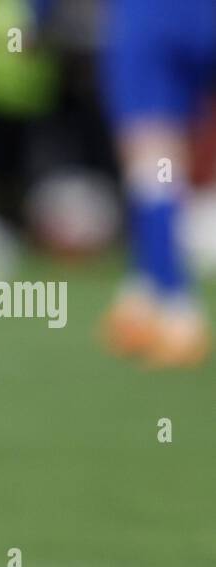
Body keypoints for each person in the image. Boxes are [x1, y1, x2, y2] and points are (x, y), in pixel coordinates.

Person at [100, 0, 213, 368]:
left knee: (153, 164)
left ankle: (176, 307)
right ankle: (143, 292)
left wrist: (36, 17)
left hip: (151, 17)